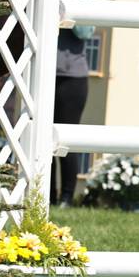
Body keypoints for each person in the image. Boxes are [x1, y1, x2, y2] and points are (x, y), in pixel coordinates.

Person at [53, 23, 93, 206]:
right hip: (45, 73)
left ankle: (67, 197)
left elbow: (85, 31)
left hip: (73, 78)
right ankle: (48, 195)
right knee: (42, 138)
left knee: (67, 139)